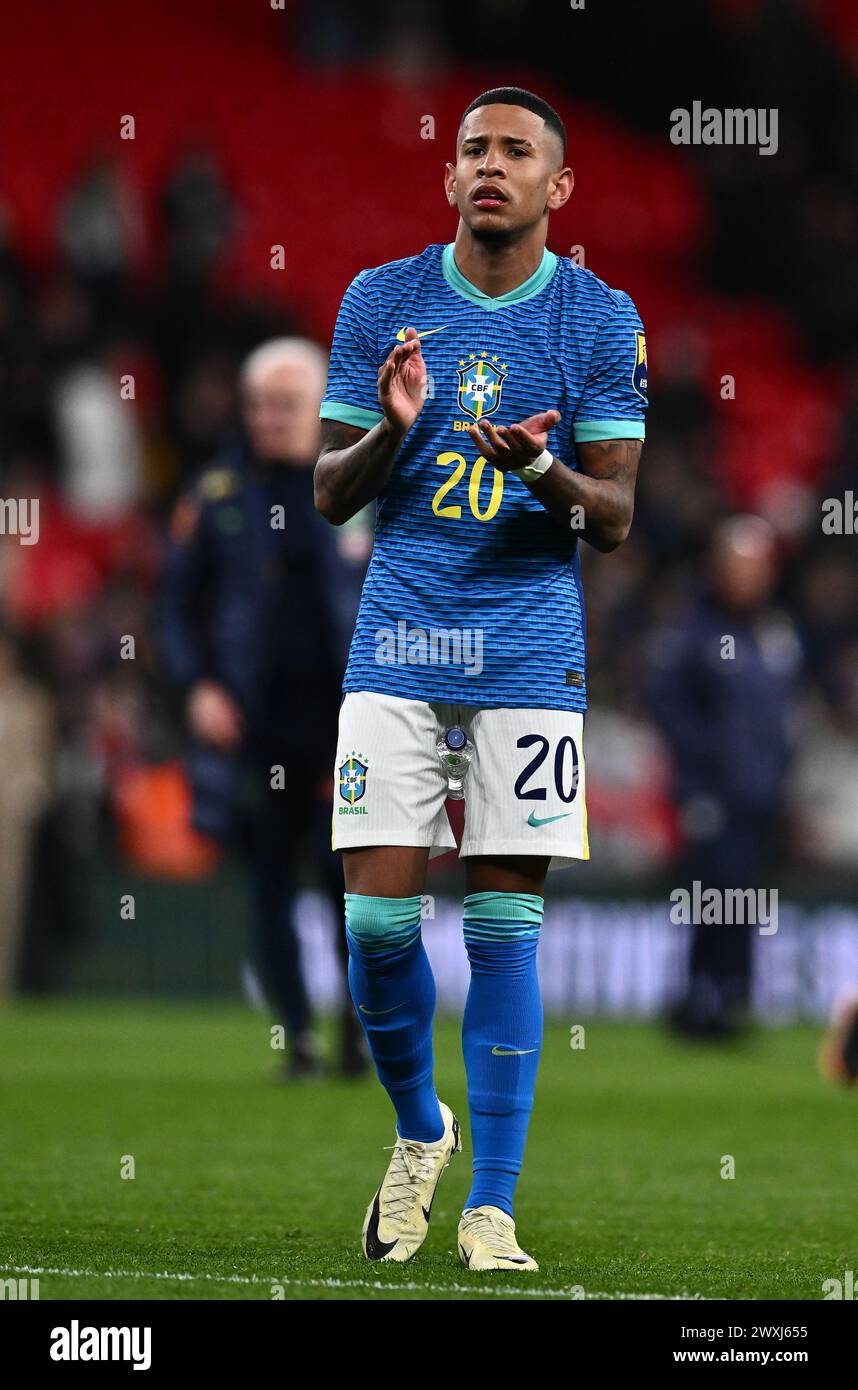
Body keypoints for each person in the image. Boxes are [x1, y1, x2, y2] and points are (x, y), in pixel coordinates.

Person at [314, 87, 648, 1270]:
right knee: (375, 926)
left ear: (560, 187)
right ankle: (422, 1131)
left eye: (515, 151)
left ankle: (491, 1205)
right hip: (399, 646)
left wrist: (547, 469)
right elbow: (327, 493)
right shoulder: (381, 301)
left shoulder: (601, 319)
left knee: (506, 931)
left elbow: (611, 518)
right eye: (472, 150)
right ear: (448, 178)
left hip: (526, 655)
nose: (489, 165)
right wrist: (397, 429)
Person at [160, 337, 369, 1079]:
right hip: (257, 724)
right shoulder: (215, 494)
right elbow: (177, 609)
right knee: (269, 882)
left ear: (321, 409)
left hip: (348, 723)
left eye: (285, 405)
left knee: (355, 884)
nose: (268, 419)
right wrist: (199, 686)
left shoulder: (363, 487)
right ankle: (297, 1035)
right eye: (257, 405)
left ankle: (358, 1029)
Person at [647, 515, 802, 1038]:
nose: (751, 578)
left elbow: (783, 714)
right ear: (719, 569)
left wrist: (778, 773)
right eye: (741, 566)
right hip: (709, 793)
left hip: (760, 795)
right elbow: (665, 701)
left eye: (759, 567)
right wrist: (707, 763)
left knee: (743, 894)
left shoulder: (774, 632)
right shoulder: (692, 630)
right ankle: (701, 995)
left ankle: (728, 995)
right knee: (712, 889)